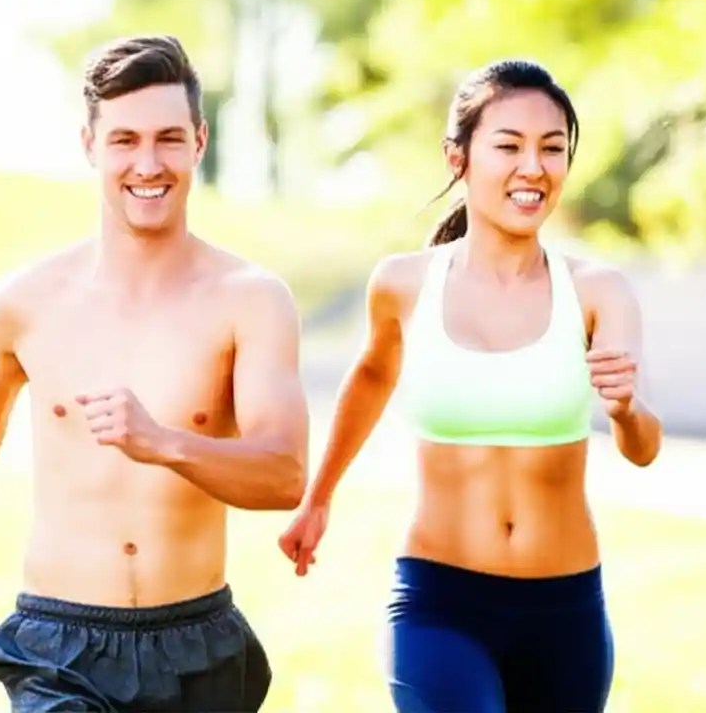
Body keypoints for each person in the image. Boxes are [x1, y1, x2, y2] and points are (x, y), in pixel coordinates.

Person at [0, 35, 307, 713]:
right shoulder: (27, 301)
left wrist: (166, 442)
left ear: (199, 141)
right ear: (89, 145)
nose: (148, 164)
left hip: (198, 640)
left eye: (168, 139)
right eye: (124, 140)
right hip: (59, 645)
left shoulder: (251, 300)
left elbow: (283, 476)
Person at [279, 59, 663, 713]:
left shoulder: (599, 291)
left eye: (552, 149)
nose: (533, 168)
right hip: (439, 603)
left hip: (564, 610)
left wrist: (625, 409)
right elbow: (372, 375)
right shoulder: (404, 283)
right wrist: (318, 497)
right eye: (508, 146)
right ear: (457, 157)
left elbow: (644, 447)